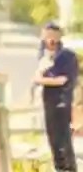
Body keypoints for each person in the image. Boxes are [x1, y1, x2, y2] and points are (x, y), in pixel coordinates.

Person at [35, 22, 78, 171]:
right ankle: (60, 168)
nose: (50, 40)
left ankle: (68, 169)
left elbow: (63, 80)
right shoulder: (43, 56)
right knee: (53, 141)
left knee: (63, 142)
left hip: (61, 103)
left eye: (53, 36)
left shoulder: (66, 56)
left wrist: (41, 79)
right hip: (48, 103)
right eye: (47, 36)